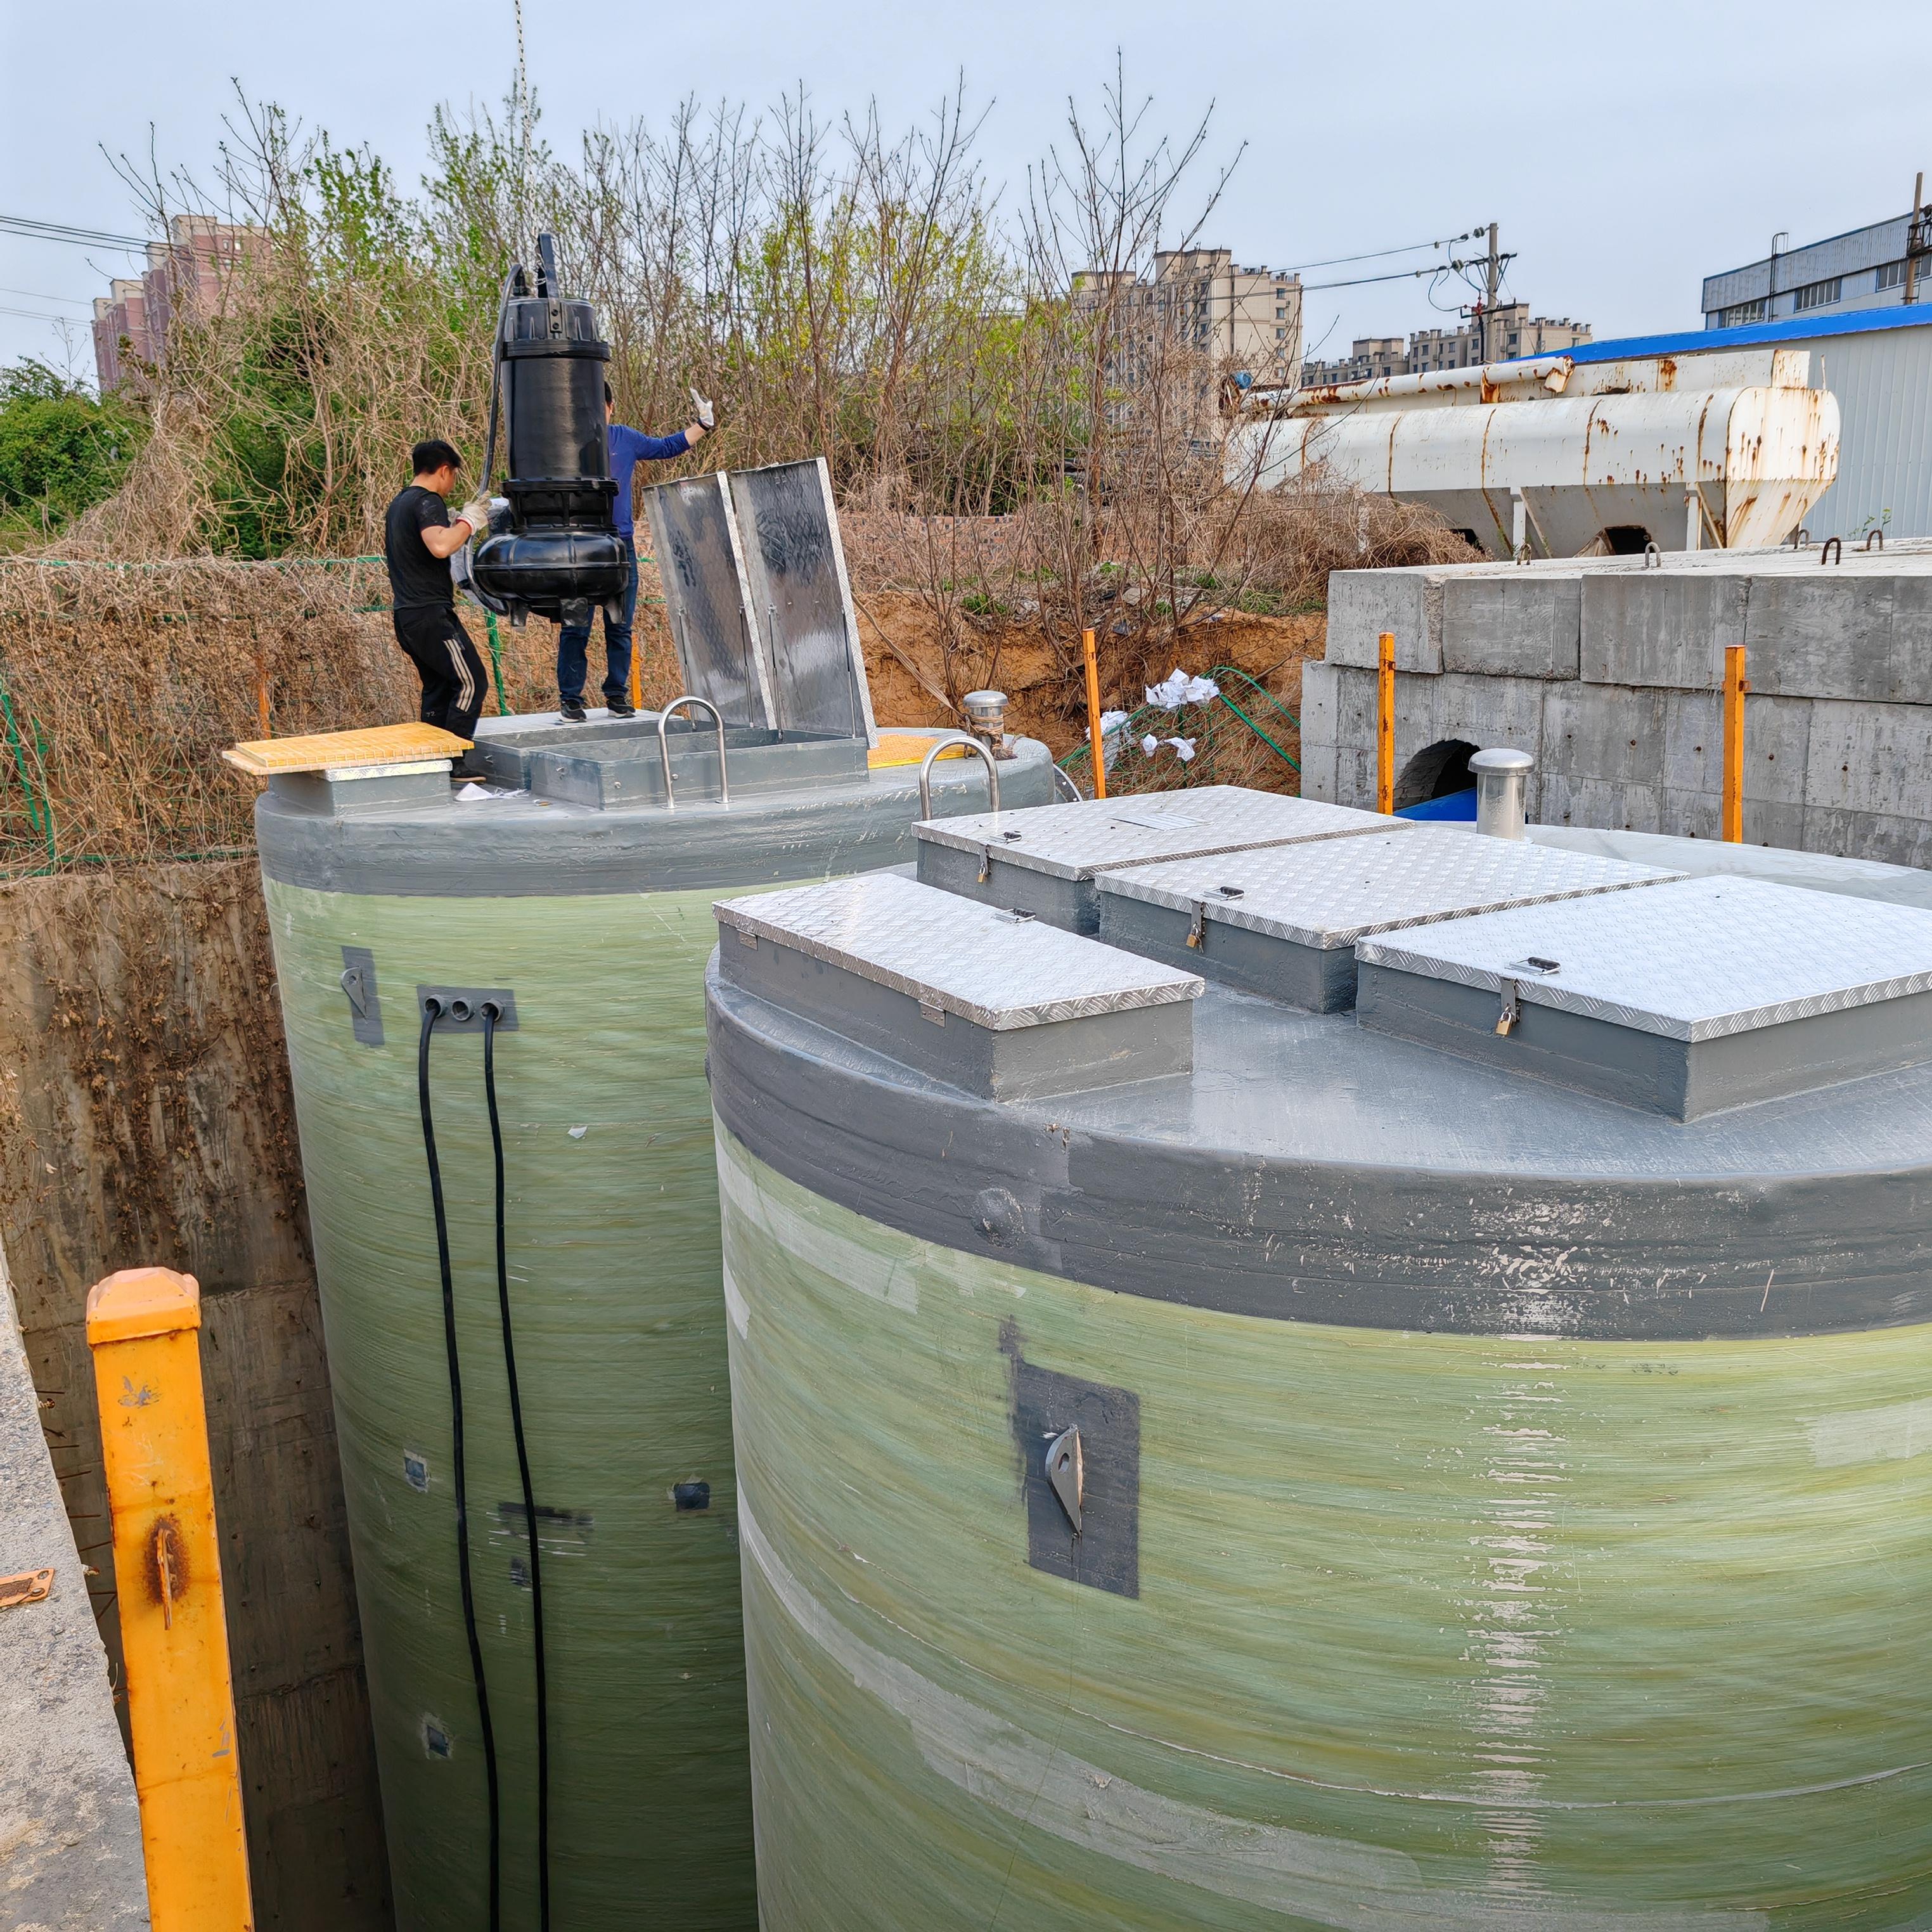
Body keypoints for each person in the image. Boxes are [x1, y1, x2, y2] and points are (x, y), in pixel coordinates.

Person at [556, 383, 715, 722]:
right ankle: (571, 699)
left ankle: (616, 695)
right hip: (578, 547)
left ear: (611, 406)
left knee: (620, 624)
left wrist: (703, 424)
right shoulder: (565, 443)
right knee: (575, 625)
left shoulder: (624, 438)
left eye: (600, 407)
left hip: (620, 545)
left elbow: (667, 447)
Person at [383, 439, 494, 749]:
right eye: (453, 475)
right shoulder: (428, 501)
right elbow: (441, 546)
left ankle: (433, 759)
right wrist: (469, 522)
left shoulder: (399, 504)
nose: (452, 483)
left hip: (407, 616)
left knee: (440, 688)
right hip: (431, 616)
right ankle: (455, 758)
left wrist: (453, 525)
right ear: (445, 471)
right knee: (472, 682)